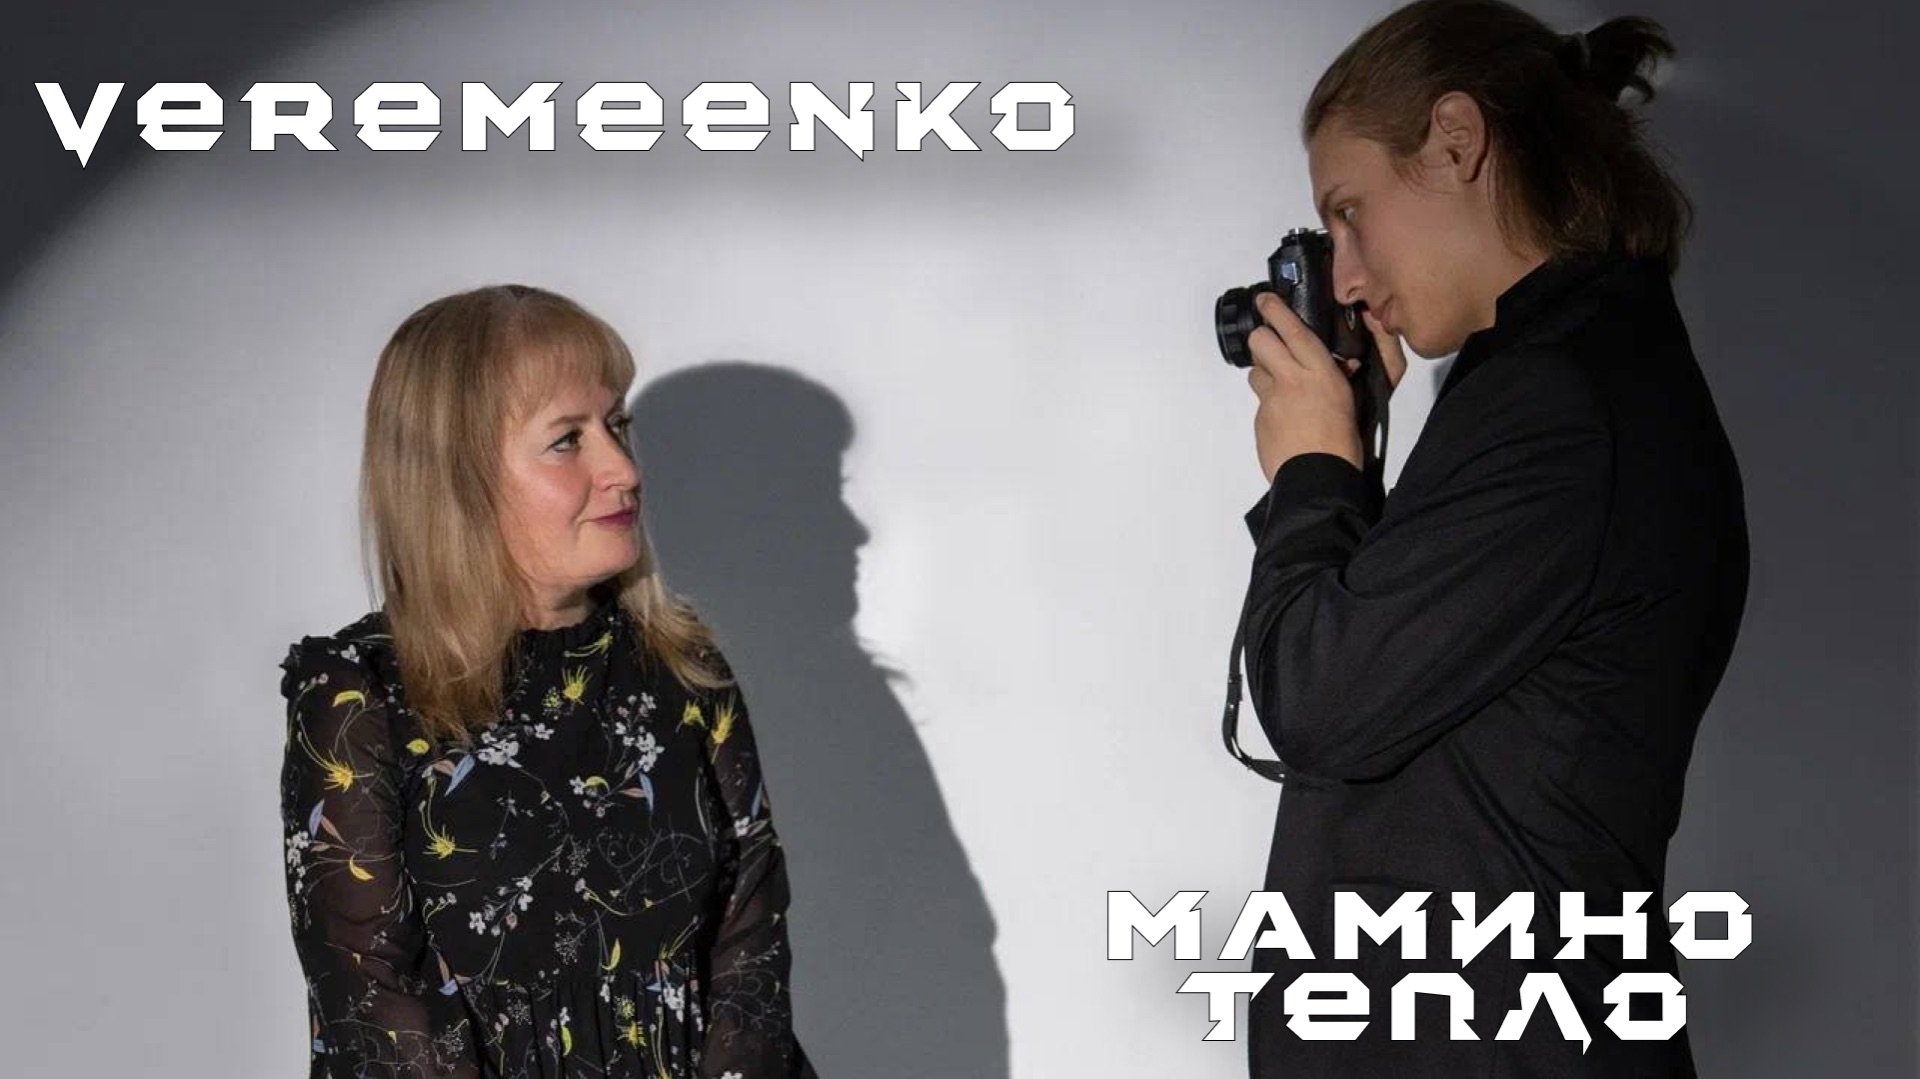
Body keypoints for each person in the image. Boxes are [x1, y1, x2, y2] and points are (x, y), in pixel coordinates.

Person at [1234, 1, 1748, 1075]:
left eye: (1350, 212)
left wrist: (1313, 473)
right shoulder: (1561, 375)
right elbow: (1421, 717)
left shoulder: (1562, 402)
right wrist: (1352, 461)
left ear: (1457, 140)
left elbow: (1321, 706)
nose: (1347, 277)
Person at [277, 285, 817, 1079]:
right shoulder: (360, 696)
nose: (623, 469)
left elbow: (751, 957)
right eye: (568, 439)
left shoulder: (683, 666)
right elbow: (373, 1012)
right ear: (458, 478)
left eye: (617, 425)